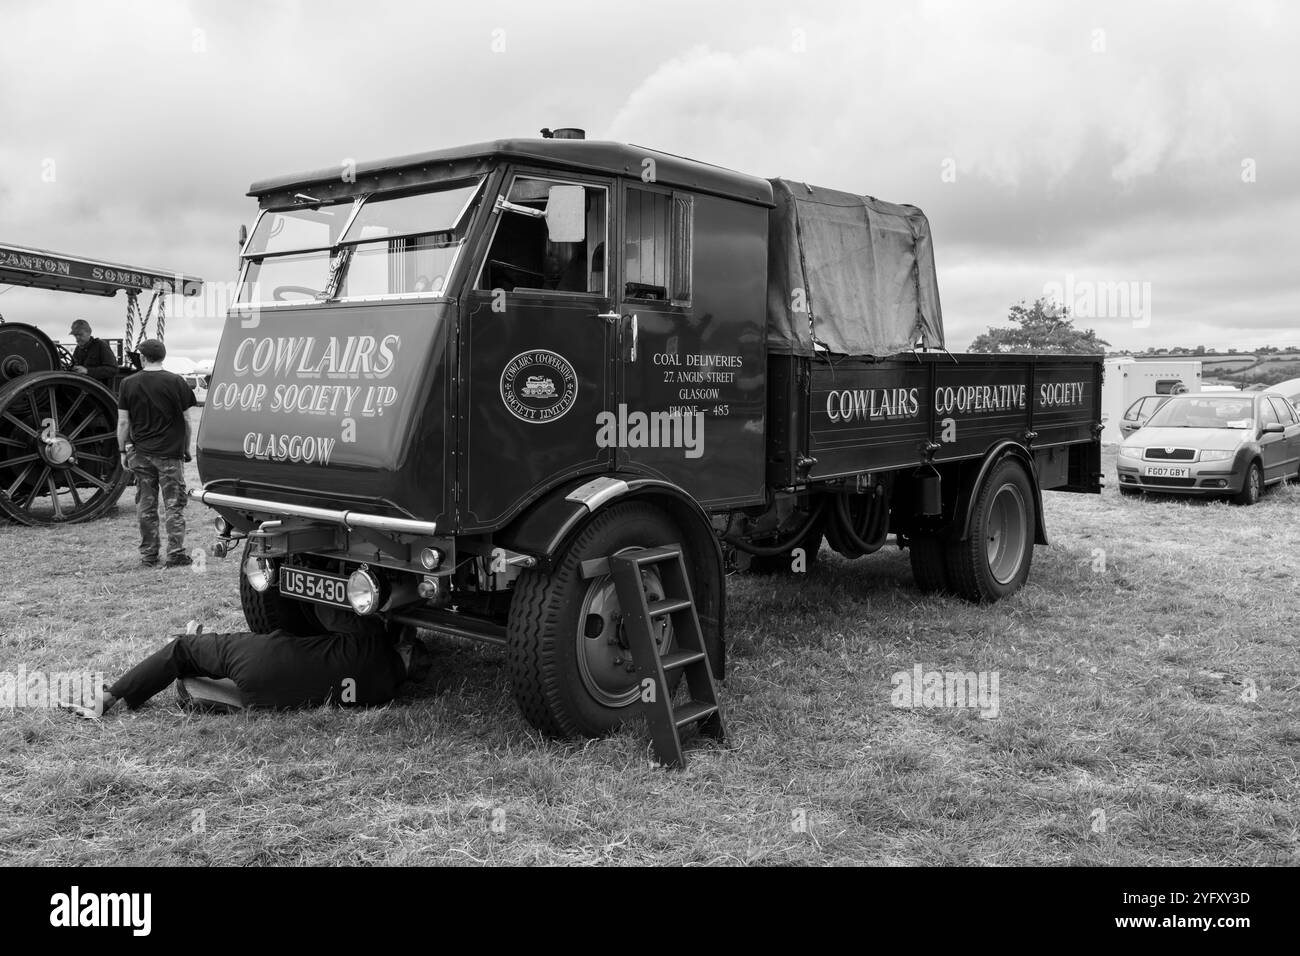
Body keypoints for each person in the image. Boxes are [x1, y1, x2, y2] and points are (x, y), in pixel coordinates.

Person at [61, 619, 433, 718]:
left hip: (263, 659)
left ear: (404, 644)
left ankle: (107, 698)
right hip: (266, 698)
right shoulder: (386, 693)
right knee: (207, 669)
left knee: (181, 648)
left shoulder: (369, 641)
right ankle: (199, 688)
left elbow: (338, 612)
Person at [116, 338, 197, 567]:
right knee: (174, 504)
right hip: (170, 453)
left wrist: (123, 450)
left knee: (145, 504)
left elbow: (123, 422)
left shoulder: (128, 383)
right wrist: (185, 448)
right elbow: (187, 421)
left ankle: (149, 555)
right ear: (163, 356)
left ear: (142, 357)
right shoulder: (177, 382)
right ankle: (176, 553)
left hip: (140, 453)